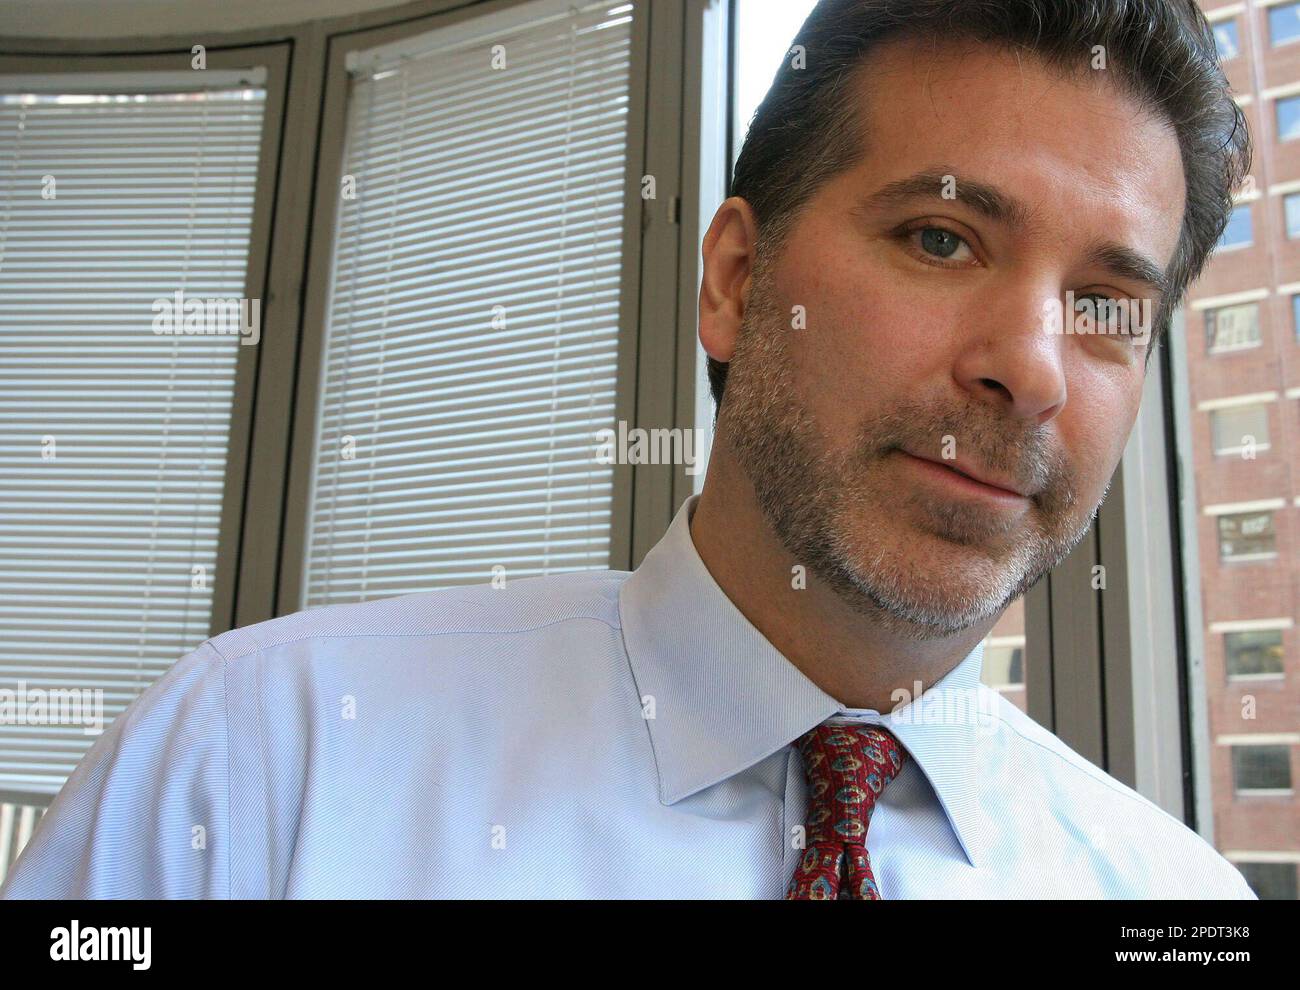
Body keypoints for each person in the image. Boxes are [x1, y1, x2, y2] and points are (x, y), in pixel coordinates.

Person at [2, 0, 1257, 898]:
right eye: (940, 238)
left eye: (1107, 307)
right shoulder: (259, 771)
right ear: (735, 280)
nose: (1031, 366)